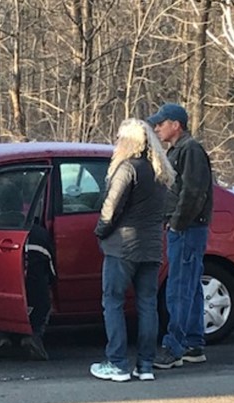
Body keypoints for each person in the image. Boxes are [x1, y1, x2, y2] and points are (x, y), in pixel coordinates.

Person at [90, 119, 175, 382]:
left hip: (122, 246)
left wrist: (101, 231)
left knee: (113, 302)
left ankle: (116, 363)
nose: (117, 143)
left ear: (128, 142)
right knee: (147, 305)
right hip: (151, 247)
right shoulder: (160, 171)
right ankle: (146, 364)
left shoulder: (128, 168)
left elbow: (111, 207)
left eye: (119, 138)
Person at [146, 103, 214, 369]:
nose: (157, 128)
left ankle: (174, 347)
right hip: (185, 228)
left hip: (187, 229)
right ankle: (194, 344)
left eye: (161, 124)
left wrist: (177, 223)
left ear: (176, 125)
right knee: (191, 285)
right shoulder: (178, 150)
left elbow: (194, 191)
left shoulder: (190, 150)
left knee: (179, 289)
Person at [0, 185, 57, 361]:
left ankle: (1, 334)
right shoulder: (40, 234)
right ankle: (34, 335)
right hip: (36, 299)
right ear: (21, 206)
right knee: (41, 295)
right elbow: (52, 273)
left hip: (3, 300)